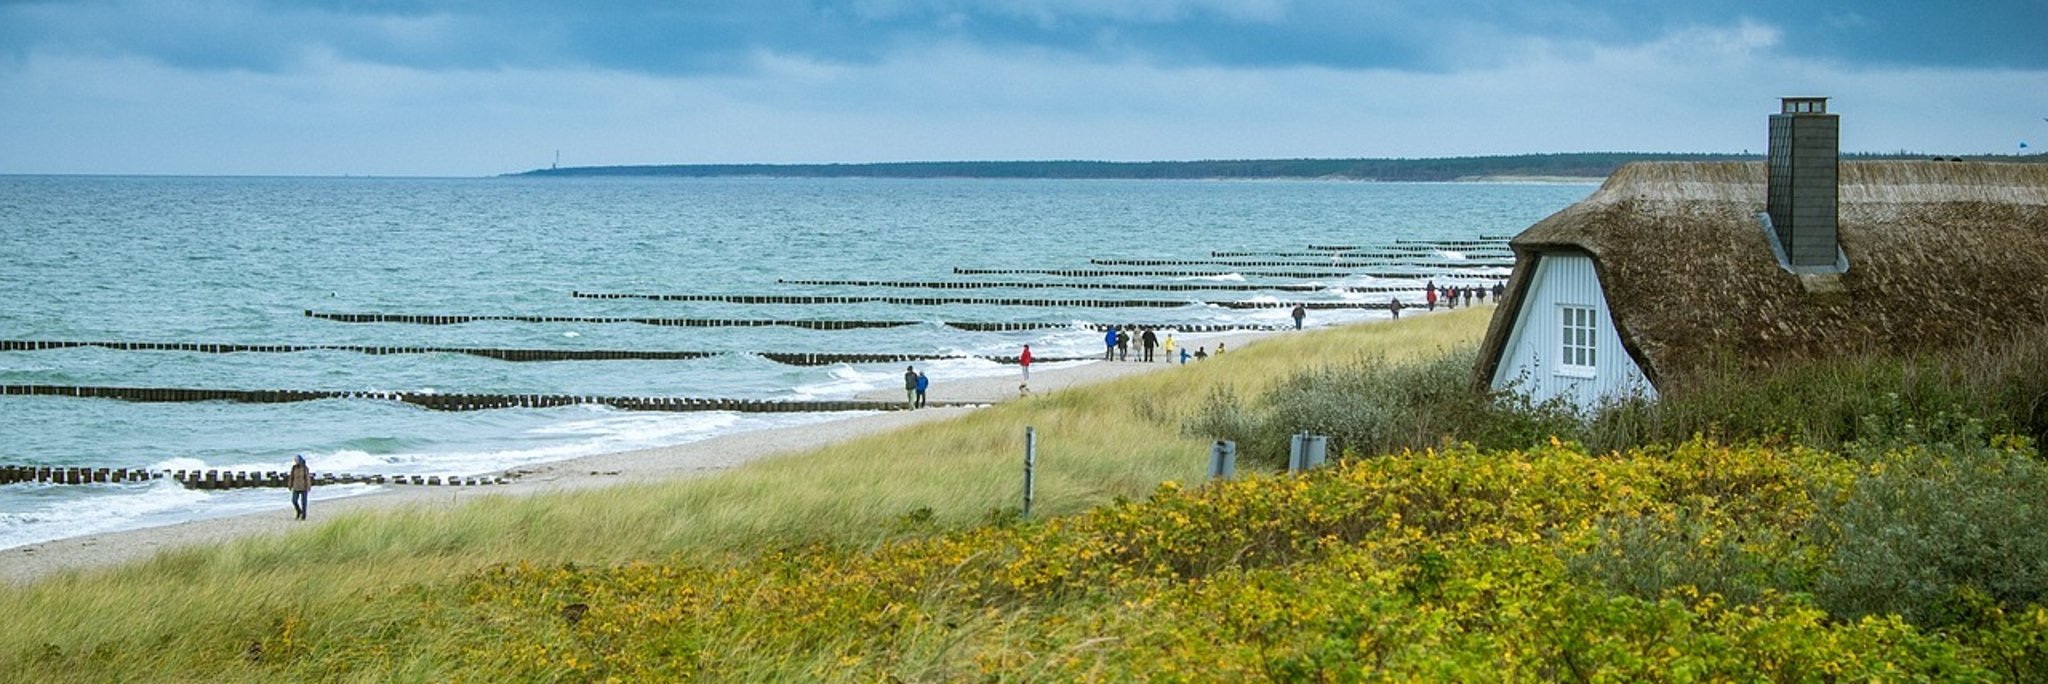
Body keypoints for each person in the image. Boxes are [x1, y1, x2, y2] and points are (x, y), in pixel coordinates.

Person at [288, 454, 312, 520]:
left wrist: (309, 486)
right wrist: (290, 485)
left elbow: (307, 477)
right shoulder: (294, 468)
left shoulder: (305, 468)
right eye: (295, 460)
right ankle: (299, 511)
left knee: (304, 502)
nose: (295, 461)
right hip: (296, 487)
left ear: (300, 460)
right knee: (294, 500)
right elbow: (291, 477)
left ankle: (304, 515)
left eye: (296, 460)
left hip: (304, 487)